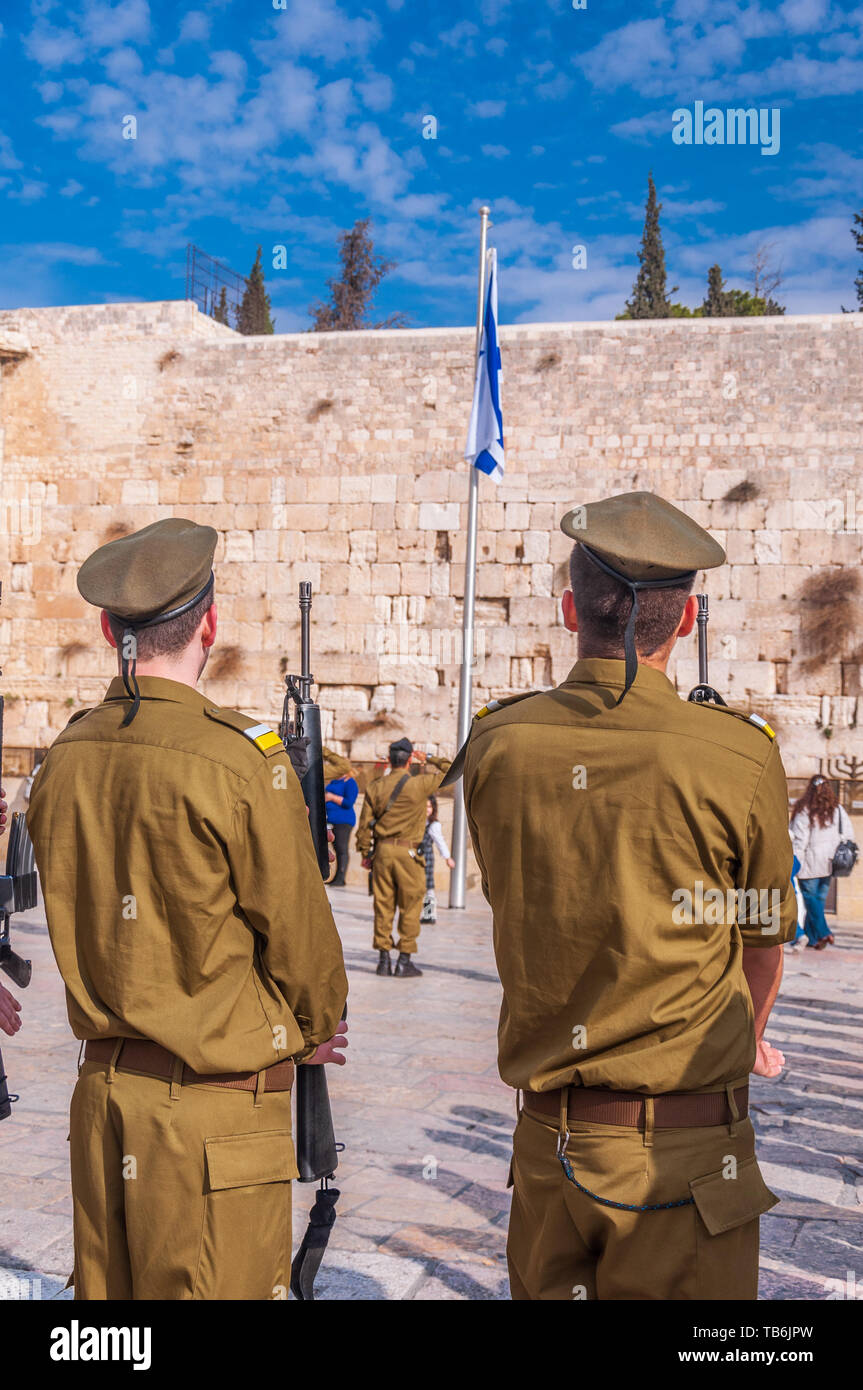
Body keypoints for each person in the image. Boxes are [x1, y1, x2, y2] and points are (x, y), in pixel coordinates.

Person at [451, 491, 797, 1301]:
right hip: (678, 1158)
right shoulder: (734, 757)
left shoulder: (498, 743)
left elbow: (524, 899)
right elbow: (760, 940)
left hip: (547, 1146)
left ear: (570, 609)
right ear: (686, 619)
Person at [26, 517, 348, 1300]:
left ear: (108, 630)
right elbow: (304, 943)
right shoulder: (239, 759)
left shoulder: (62, 758)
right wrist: (306, 1029)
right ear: (210, 623)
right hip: (211, 1118)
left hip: (104, 1101)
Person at [355, 738, 451, 977]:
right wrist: (428, 759)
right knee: (410, 906)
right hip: (409, 853)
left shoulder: (376, 786)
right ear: (409, 759)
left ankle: (383, 960)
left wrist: (366, 852)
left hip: (383, 852)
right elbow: (452, 770)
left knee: (383, 906)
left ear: (389, 759)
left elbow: (365, 824)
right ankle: (404, 960)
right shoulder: (419, 785)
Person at [790, 774, 854, 950]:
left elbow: (799, 840)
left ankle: (824, 932)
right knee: (818, 899)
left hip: (810, 863)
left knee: (811, 900)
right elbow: (848, 835)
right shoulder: (838, 809)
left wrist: (795, 861)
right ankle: (813, 939)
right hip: (829, 862)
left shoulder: (805, 810)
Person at [323, 748, 359, 888]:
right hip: (330, 819)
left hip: (343, 820)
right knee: (335, 848)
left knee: (342, 849)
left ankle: (341, 877)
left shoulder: (350, 782)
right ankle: (335, 877)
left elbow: (349, 802)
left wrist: (332, 797)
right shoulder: (332, 782)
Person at [420, 795, 455, 925]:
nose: (427, 809)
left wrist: (447, 858)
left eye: (429, 806)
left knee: (428, 887)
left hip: (427, 857)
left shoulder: (434, 825)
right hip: (415, 857)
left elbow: (440, 841)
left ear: (433, 808)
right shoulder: (418, 821)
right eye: (425, 806)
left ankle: (429, 915)